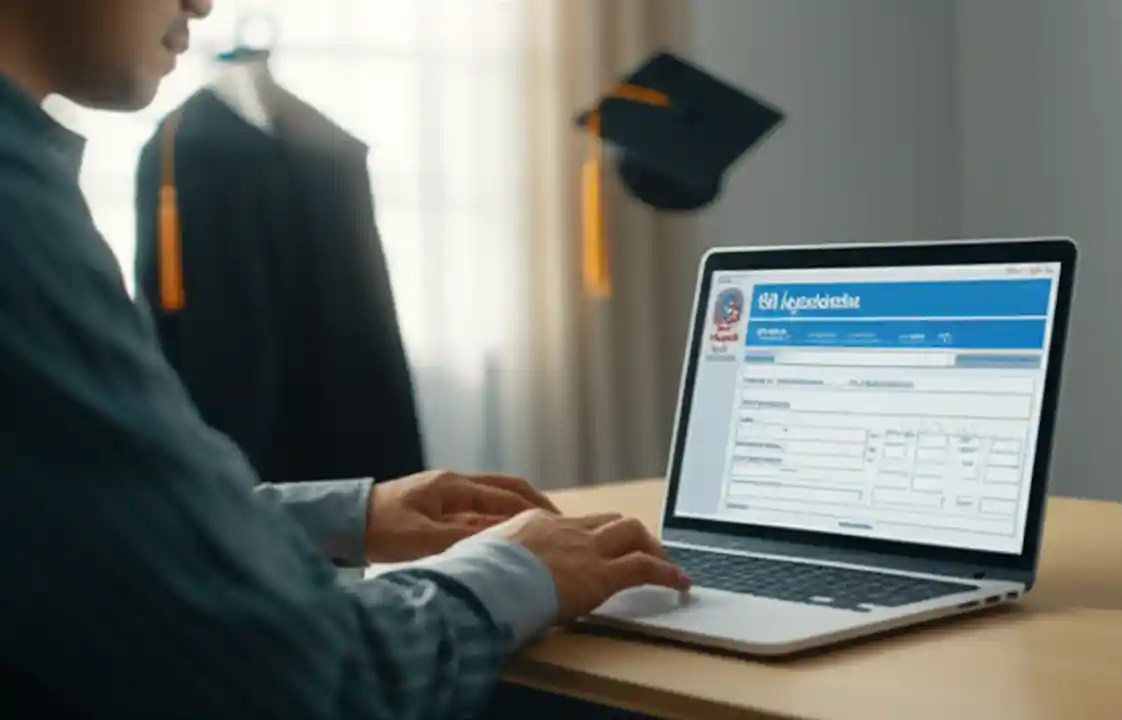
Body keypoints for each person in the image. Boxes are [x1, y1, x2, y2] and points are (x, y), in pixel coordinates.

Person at [0, 1, 690, 717]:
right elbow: (294, 677)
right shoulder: (18, 221)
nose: (202, 3)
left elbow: (80, 520)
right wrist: (518, 572)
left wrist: (353, 515)